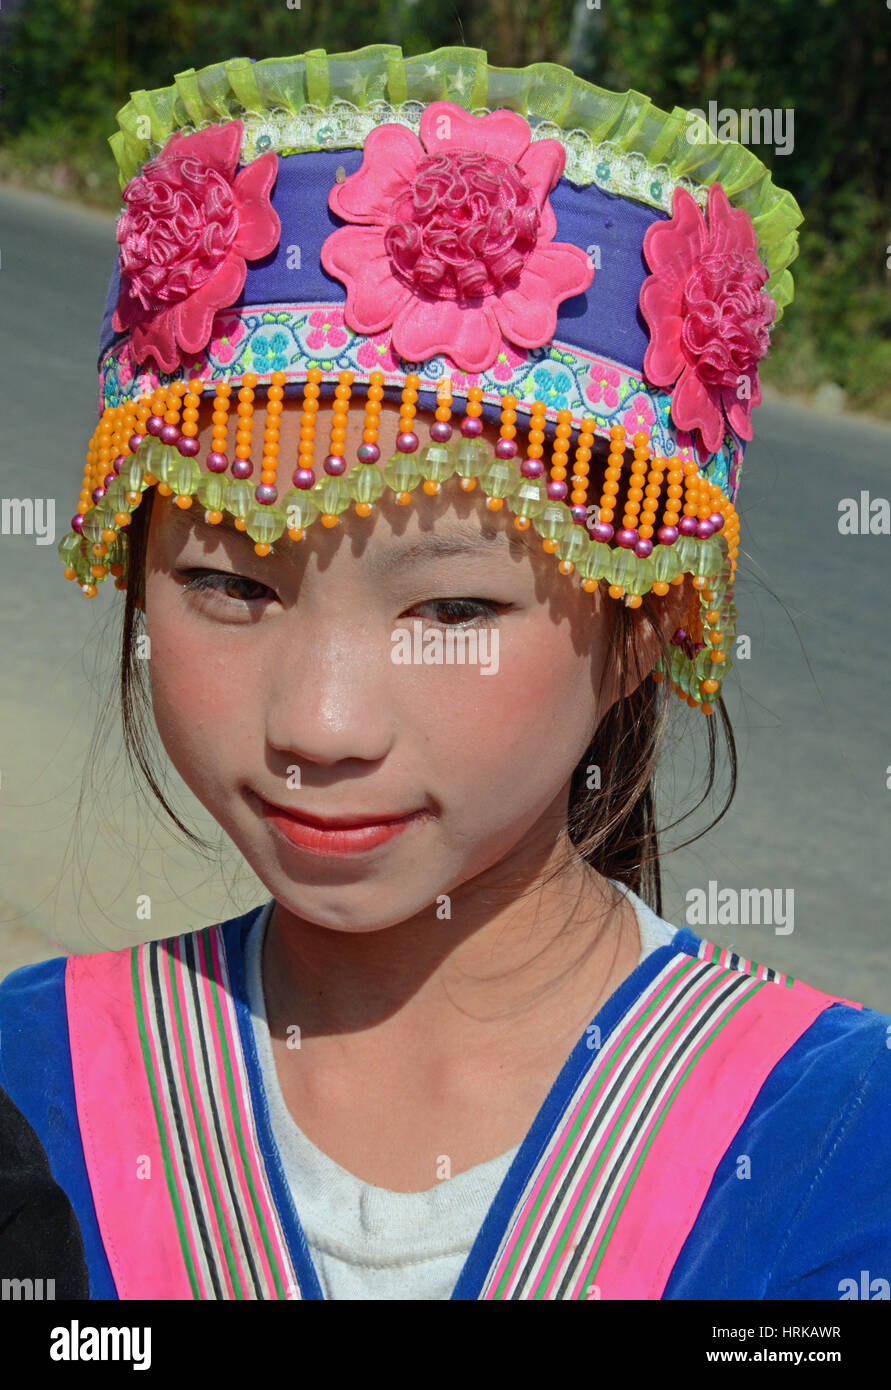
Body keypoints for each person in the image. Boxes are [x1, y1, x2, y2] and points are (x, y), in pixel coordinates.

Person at [1, 44, 888, 1301]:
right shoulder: (32, 1083)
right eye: (229, 586)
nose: (320, 723)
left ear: (649, 618)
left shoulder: (838, 1146)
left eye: (456, 607)